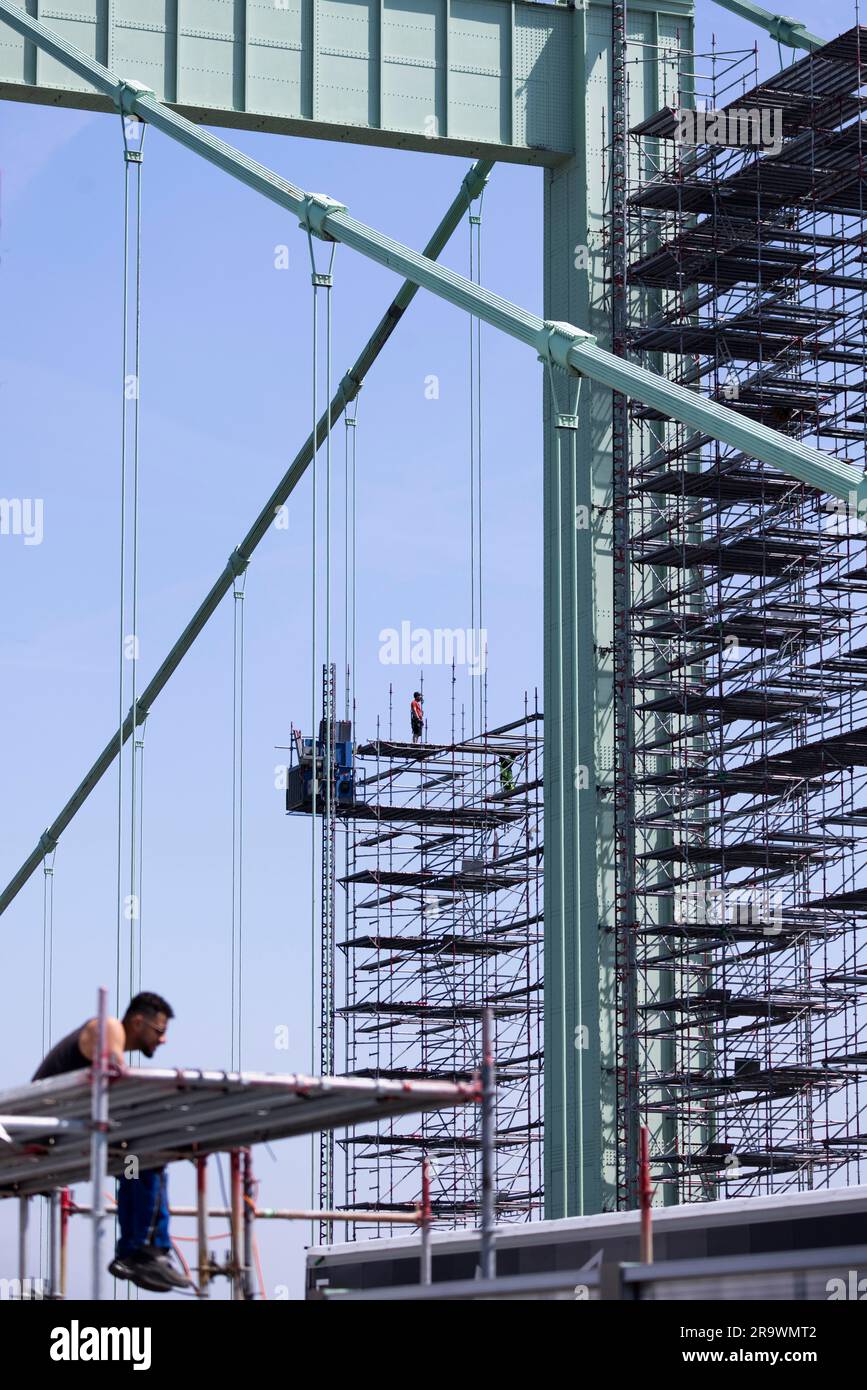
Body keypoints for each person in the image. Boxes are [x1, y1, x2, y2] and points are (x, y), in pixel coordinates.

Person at [32, 991, 191, 1294]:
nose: (163, 1040)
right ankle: (146, 1249)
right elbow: (120, 1080)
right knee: (150, 1151)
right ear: (138, 1021)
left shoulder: (108, 1037)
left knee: (132, 1165)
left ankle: (134, 1250)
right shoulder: (108, 1028)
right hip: (47, 1124)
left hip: (65, 1122)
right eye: (159, 1031)